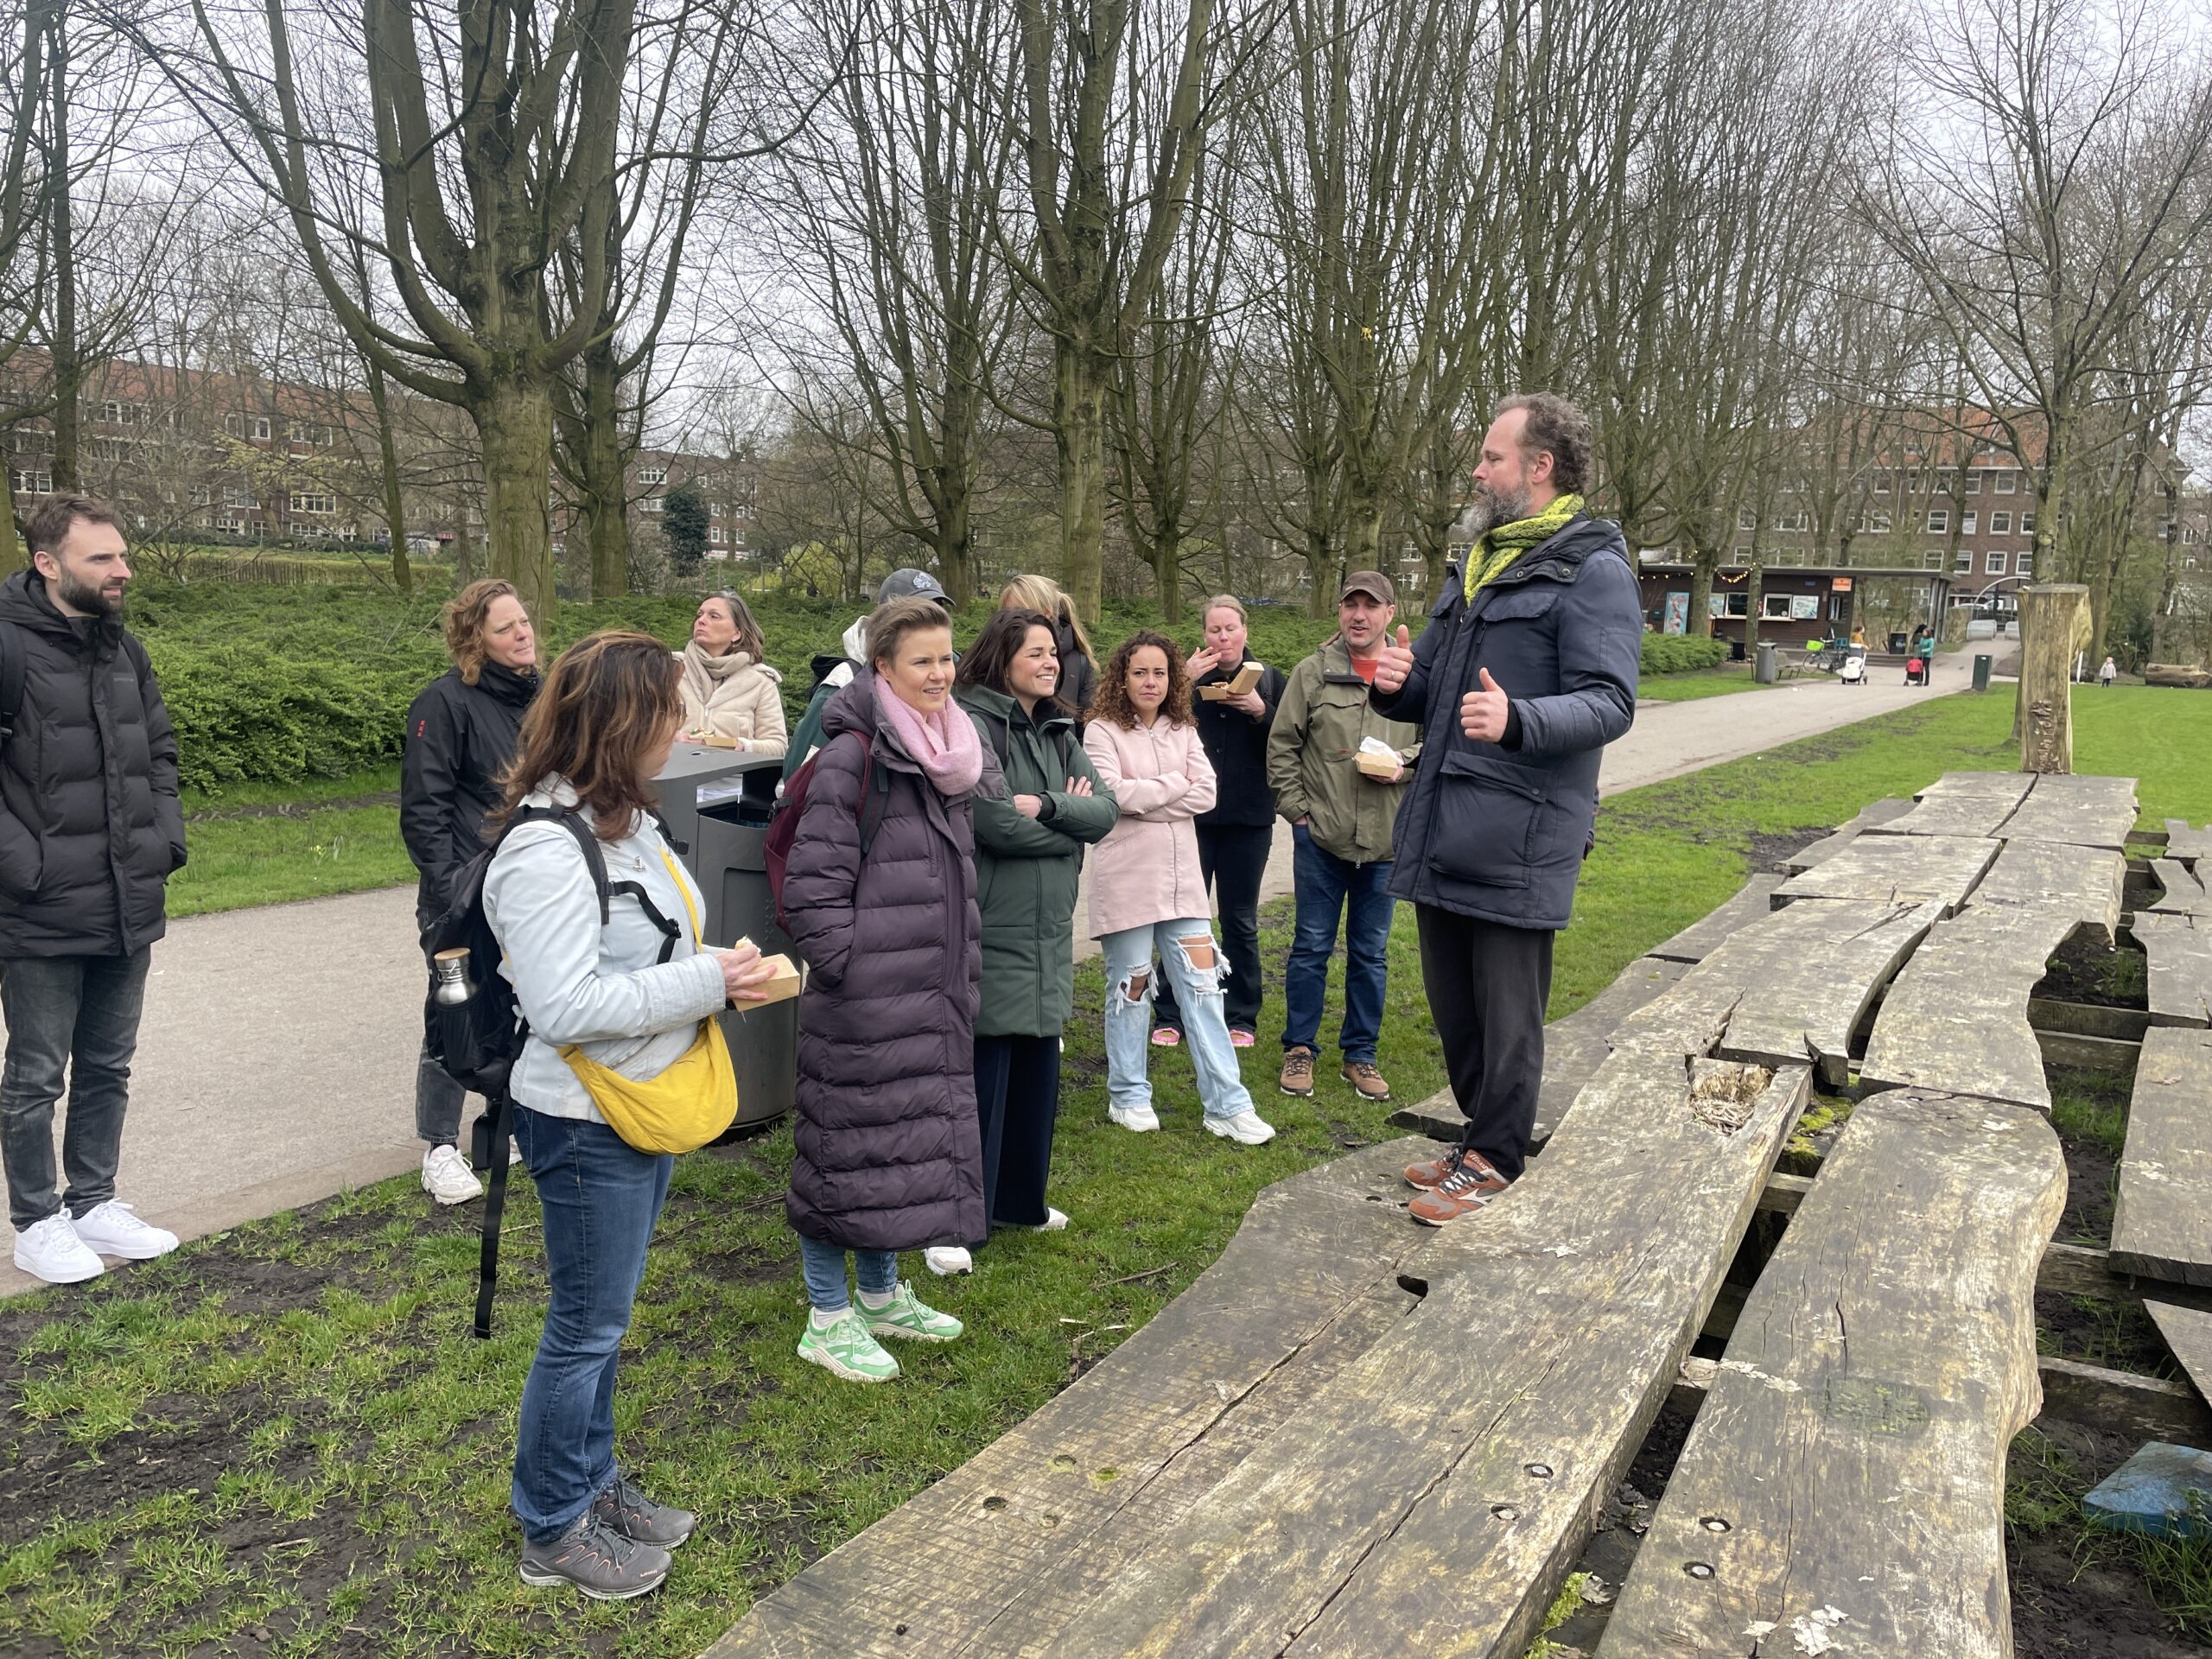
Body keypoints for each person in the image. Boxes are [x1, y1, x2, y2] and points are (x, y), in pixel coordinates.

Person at [484, 630, 778, 1599]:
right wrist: (705, 981)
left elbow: (646, 954)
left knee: (602, 1324)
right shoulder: (543, 848)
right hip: (580, 1120)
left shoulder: (628, 822)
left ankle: (593, 1483)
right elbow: (563, 1006)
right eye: (666, 707)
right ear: (619, 722)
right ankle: (552, 1525)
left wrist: (720, 978)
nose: (682, 725)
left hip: (640, 1104)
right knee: (583, 1327)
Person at [1370, 393, 1641, 1226]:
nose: (1477, 471)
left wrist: (1521, 720)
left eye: (1491, 457)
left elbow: (1610, 701)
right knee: (1455, 1004)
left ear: (1539, 466)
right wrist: (1403, 682)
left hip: (1521, 831)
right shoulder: (1480, 563)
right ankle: (1475, 1138)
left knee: (1507, 1009)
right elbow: (1444, 692)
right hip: (1447, 821)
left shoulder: (1592, 567)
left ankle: (1495, 1156)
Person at [781, 595, 996, 1375]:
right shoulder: (856, 756)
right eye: (922, 661)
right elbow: (812, 888)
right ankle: (826, 1315)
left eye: (947, 658)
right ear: (883, 668)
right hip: (867, 996)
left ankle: (878, 1295)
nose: (940, 674)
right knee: (840, 1154)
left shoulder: (946, 750)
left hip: (929, 991)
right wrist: (849, 970)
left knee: (896, 1150)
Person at [0, 494, 187, 1284]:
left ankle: (94, 1202)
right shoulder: (8, 648)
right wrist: (23, 866)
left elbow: (161, 749)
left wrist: (164, 842)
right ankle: (36, 1221)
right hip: (40, 906)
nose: (122, 571)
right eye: (102, 559)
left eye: (122, 556)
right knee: (37, 1076)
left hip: (127, 898)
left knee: (109, 1065)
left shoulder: (124, 650)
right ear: (49, 565)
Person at [954, 608, 1120, 1253]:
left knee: (1035, 1070)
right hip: (994, 920)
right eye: (1038, 653)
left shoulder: (1058, 728)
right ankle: (965, 1215)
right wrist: (1062, 833)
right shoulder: (972, 725)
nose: (1053, 662)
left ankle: (1021, 1201)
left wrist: (1050, 806)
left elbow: (1104, 811)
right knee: (985, 1070)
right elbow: (990, 821)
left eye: (1056, 652)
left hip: (1049, 927)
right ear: (1002, 658)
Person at [1084, 632, 1276, 1145]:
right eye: (1140, 672)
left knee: (1203, 986)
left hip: (1181, 882)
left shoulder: (1183, 728)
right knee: (1132, 988)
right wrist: (1174, 787)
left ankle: (1228, 1105)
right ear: (1121, 678)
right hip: (1127, 879)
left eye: (1160, 673)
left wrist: (1146, 797)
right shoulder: (1100, 731)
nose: (1151, 682)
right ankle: (1128, 1095)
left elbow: (1207, 793)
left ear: (1174, 680)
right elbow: (1112, 794)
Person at [401, 578, 541, 1205]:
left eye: (524, 621)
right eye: (506, 626)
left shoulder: (545, 702)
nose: (523, 633)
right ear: (474, 640)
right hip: (461, 894)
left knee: (520, 1011)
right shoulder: (444, 703)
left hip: (531, 887)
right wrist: (450, 893)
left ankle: (505, 1126)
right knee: (454, 1016)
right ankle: (439, 1146)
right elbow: (423, 811)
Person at [1267, 575, 1421, 1106]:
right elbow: (1282, 746)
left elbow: (1433, 746)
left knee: (1370, 953)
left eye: (1370, 606)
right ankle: (1300, 1049)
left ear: (1389, 613)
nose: (1359, 615)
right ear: (1339, 612)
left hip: (1386, 844)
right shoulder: (1314, 673)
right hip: (1322, 840)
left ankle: (1360, 1054)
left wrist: (1401, 769)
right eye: (1350, 605)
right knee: (1310, 947)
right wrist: (1298, 815)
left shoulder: (1411, 676)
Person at [1150, 595, 1286, 1049]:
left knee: (1240, 920)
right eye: (1214, 630)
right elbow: (1153, 730)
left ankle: (1241, 1016)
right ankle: (1170, 1012)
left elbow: (1291, 742)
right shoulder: (1184, 678)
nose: (1223, 638)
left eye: (1230, 629)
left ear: (1245, 631)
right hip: (1192, 816)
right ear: (1203, 634)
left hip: (1249, 818)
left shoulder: (1271, 680)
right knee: (1182, 916)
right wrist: (1180, 682)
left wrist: (1260, 712)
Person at [783, 568, 953, 780]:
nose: (927, 620)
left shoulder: (943, 684)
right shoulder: (844, 684)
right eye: (915, 611)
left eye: (937, 607)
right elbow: (799, 775)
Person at [676, 591, 787, 755]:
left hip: (733, 778)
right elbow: (638, 730)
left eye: (714, 616)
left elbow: (779, 747)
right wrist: (672, 739)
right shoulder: (671, 670)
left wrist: (741, 746)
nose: (701, 620)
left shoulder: (760, 682)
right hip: (675, 774)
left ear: (737, 633)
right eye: (699, 615)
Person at [1001, 574, 1098, 717]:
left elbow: (1085, 725)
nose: (1012, 620)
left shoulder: (1078, 662)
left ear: (1047, 613)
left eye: (1021, 612)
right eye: (1007, 613)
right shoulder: (996, 653)